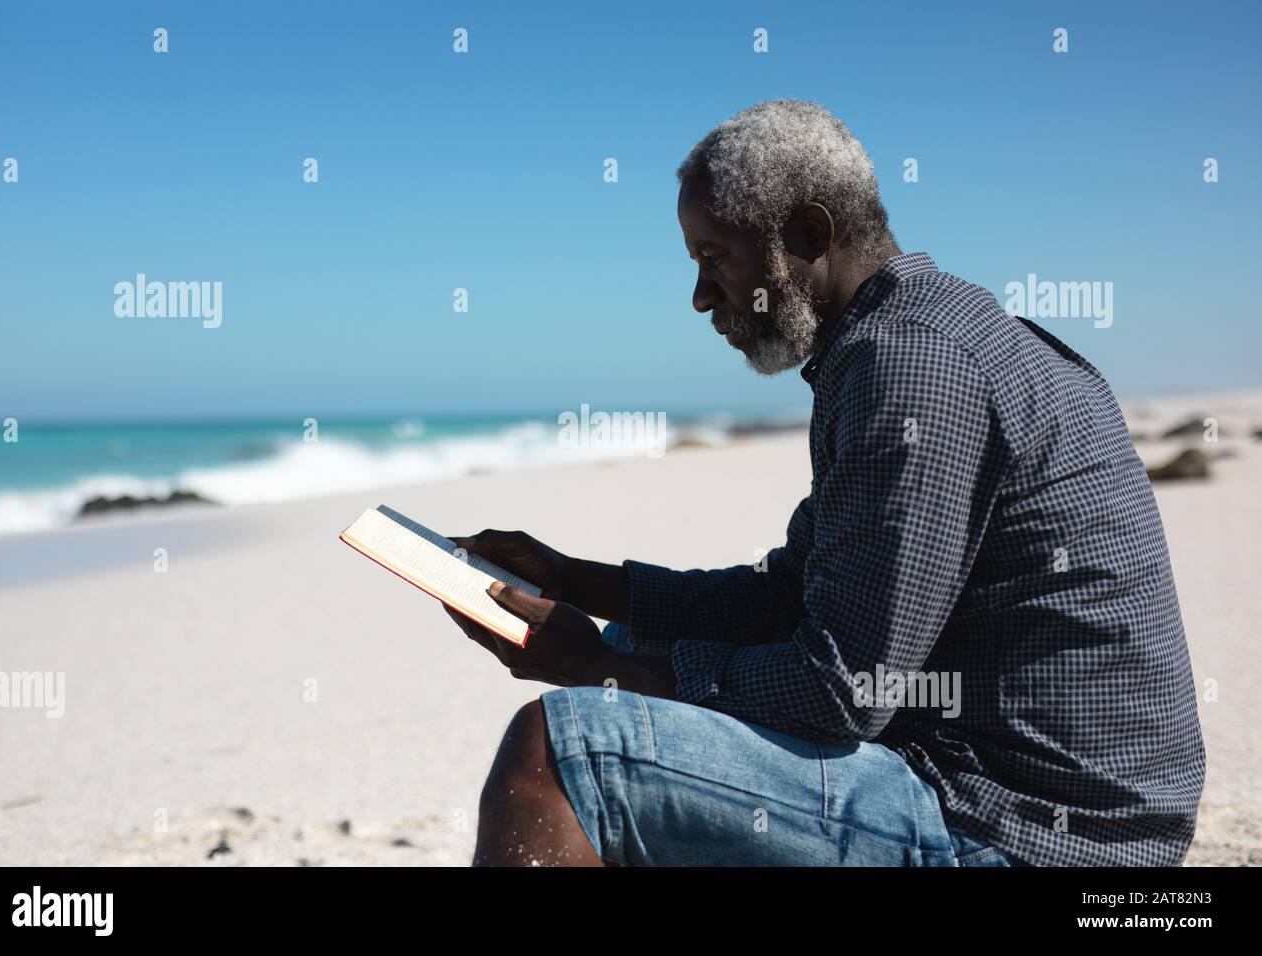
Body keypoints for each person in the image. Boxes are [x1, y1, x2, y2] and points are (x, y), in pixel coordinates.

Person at [444, 100, 1205, 867]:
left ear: (808, 235)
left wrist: (597, 672)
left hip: (1031, 829)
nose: (703, 297)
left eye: (715, 259)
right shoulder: (914, 335)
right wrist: (579, 582)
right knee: (635, 645)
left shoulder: (910, 367)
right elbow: (789, 599)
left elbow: (845, 691)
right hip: (1027, 789)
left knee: (563, 750)